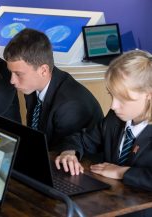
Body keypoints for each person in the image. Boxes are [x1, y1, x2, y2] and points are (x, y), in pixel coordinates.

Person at [55, 50, 152, 191]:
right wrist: (69, 152)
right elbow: (82, 139)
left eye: (123, 98)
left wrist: (122, 172)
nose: (113, 106)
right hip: (110, 201)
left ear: (148, 95)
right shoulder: (114, 118)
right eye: (112, 95)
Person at [3, 28, 103, 151]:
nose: (12, 80)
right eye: (11, 73)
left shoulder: (69, 106)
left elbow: (60, 155)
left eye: (18, 74)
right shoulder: (32, 85)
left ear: (43, 70)